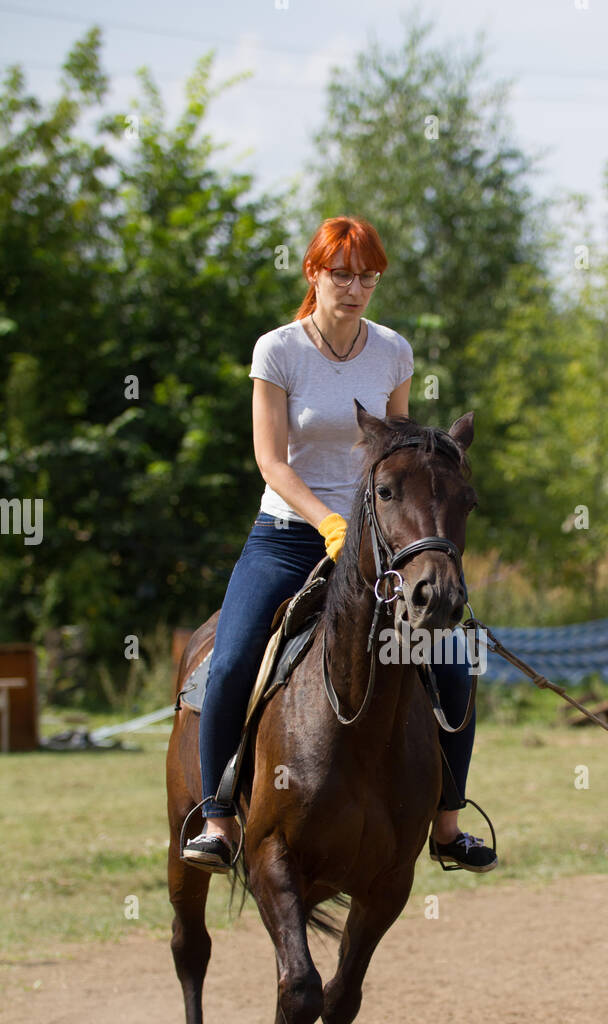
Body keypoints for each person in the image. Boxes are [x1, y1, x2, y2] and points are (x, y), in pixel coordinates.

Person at [182, 216, 497, 876]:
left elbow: (398, 454)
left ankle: (447, 824)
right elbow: (270, 460)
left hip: (373, 544)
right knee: (234, 657)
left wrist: (407, 524)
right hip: (286, 536)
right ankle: (216, 817)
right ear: (314, 274)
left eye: (368, 276)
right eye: (342, 274)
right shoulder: (278, 350)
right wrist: (327, 521)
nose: (355, 288)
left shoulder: (393, 352)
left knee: (449, 655)